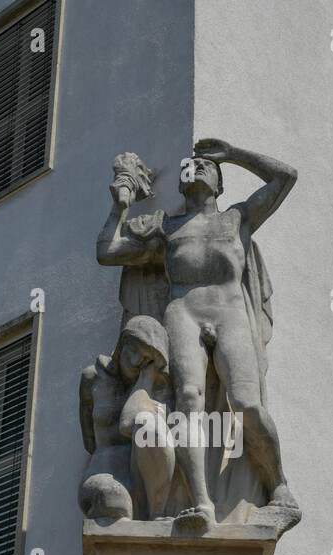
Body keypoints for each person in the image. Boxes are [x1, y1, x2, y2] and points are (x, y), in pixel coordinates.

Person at [96, 138, 299, 531]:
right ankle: (202, 504)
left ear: (220, 185)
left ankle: (280, 490)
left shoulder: (238, 219)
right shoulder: (167, 228)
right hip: (183, 312)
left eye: (208, 167)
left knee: (246, 403)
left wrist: (235, 154)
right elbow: (107, 251)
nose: (198, 169)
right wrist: (119, 206)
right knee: (188, 400)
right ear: (182, 183)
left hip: (229, 312)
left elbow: (285, 177)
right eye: (193, 167)